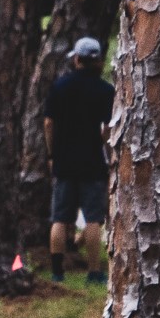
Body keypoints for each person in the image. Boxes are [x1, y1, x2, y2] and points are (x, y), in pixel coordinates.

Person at [43, 37, 115, 285]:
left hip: (64, 159)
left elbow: (49, 122)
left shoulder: (60, 87)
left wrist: (51, 153)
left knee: (60, 218)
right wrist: (107, 151)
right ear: (98, 61)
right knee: (94, 218)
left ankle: (57, 271)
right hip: (92, 160)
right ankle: (94, 271)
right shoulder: (106, 91)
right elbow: (107, 127)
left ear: (76, 59)